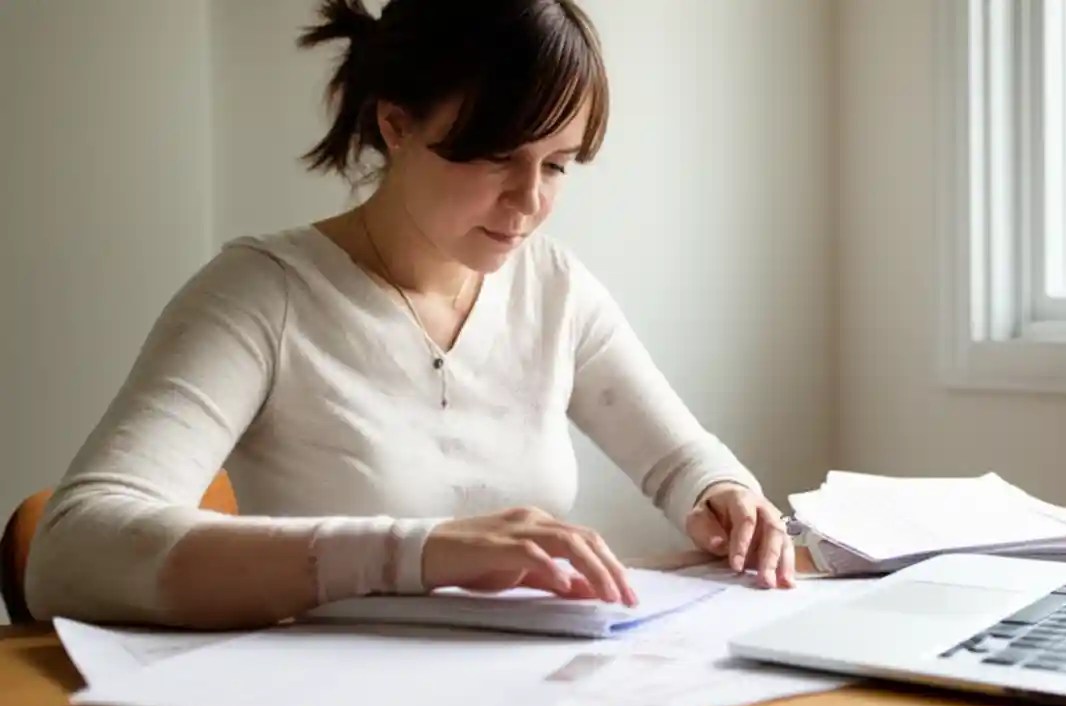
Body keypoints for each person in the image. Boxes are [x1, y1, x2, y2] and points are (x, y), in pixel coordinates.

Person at [25, 0, 793, 630]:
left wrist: (721, 493)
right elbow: (69, 551)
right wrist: (415, 553)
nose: (530, 202)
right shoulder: (263, 295)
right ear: (397, 125)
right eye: (498, 155)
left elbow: (679, 462)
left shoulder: (554, 289)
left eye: (557, 165)